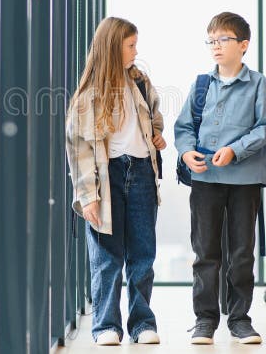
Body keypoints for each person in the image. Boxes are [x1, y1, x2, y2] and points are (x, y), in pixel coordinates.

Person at [174, 12, 266, 345]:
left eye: (223, 39)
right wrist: (187, 152)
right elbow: (184, 127)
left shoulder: (258, 84)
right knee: (205, 252)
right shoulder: (201, 84)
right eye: (211, 40)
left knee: (241, 253)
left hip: (244, 181)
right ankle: (204, 320)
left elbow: (265, 127)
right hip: (205, 181)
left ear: (243, 45)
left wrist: (234, 150)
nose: (216, 46)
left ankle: (240, 319)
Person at [65, 17, 166, 346]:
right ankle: (106, 325)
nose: (136, 52)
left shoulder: (139, 81)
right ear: (112, 48)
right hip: (106, 176)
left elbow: (155, 116)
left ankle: (142, 324)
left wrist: (158, 135)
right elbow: (78, 148)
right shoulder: (88, 96)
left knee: (143, 254)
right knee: (106, 256)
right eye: (131, 46)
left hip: (142, 174)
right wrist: (87, 195)